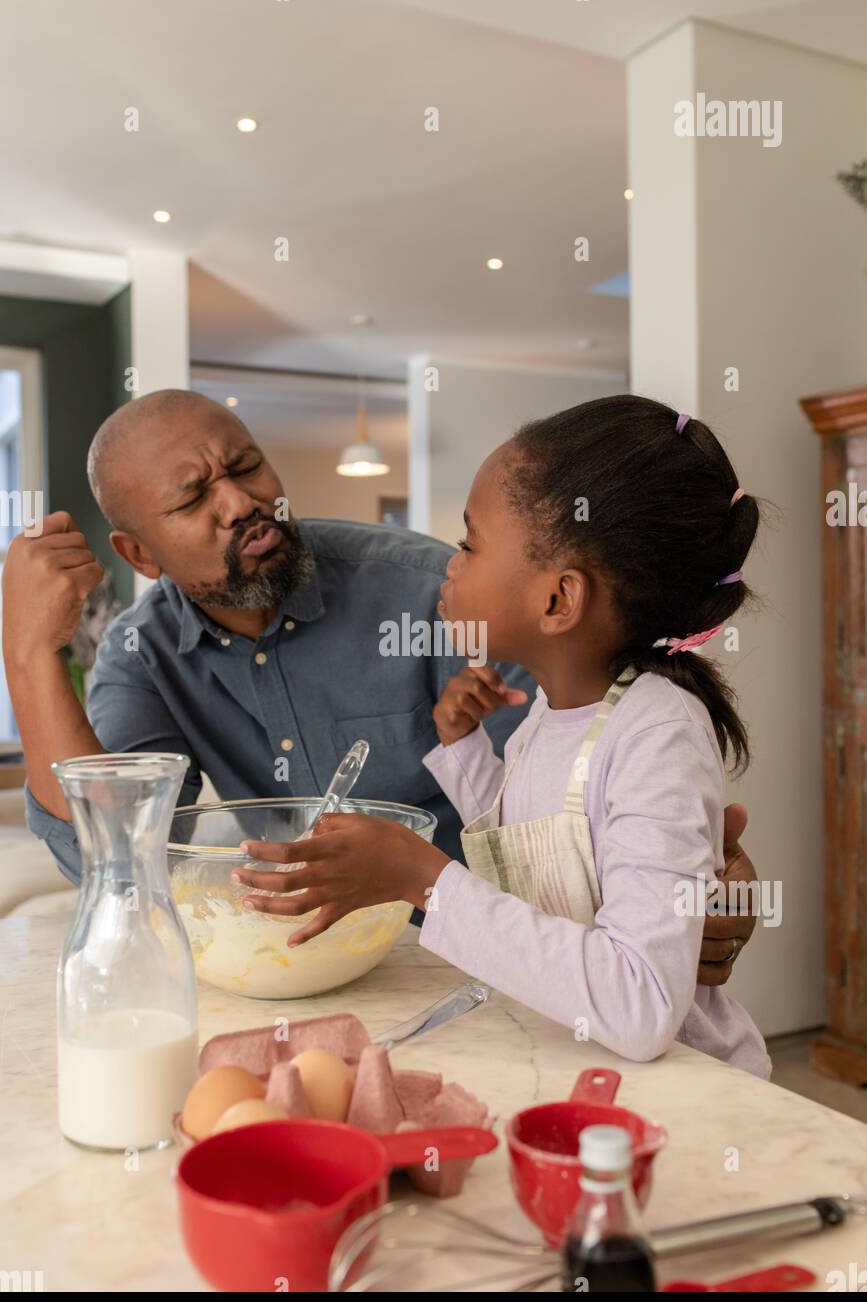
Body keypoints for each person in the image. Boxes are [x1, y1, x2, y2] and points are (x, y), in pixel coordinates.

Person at [2, 388, 755, 980]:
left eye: (244, 466)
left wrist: (703, 887)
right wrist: (30, 654)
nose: (240, 503)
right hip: (303, 966)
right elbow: (118, 863)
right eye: (193, 498)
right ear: (140, 553)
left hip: (502, 970)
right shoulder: (147, 655)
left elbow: (589, 786)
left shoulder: (438, 591)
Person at [232, 396, 771, 1075]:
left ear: (556, 601)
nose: (450, 566)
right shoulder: (549, 713)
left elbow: (640, 1004)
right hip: (582, 1064)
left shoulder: (655, 732)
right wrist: (462, 750)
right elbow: (538, 866)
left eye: (469, 544)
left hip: (691, 1088)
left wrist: (424, 880)